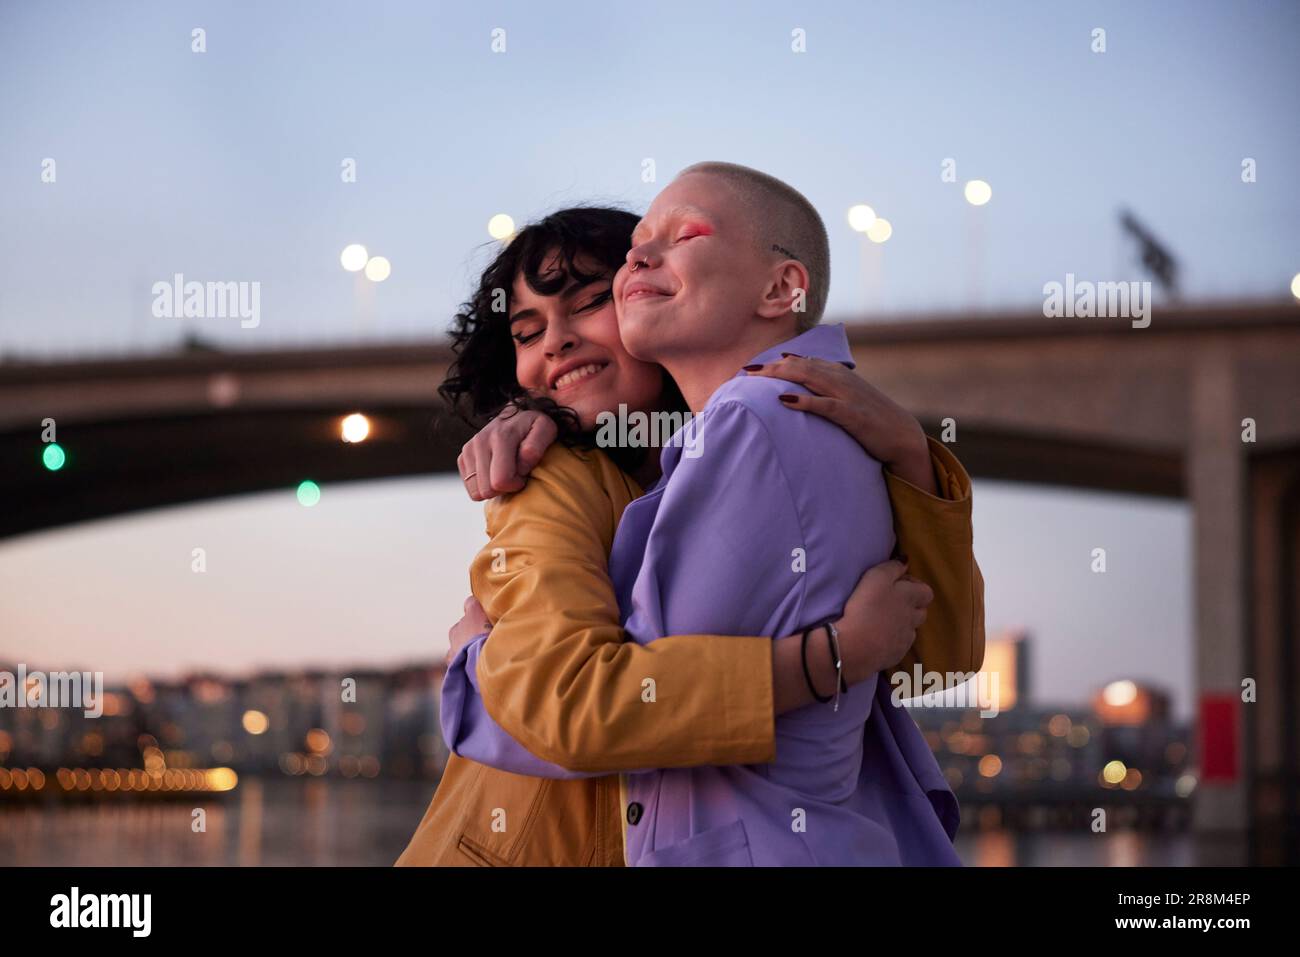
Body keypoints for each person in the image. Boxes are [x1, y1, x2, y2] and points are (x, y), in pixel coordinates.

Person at [395, 200, 984, 866]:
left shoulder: (746, 450)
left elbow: (937, 660)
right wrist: (832, 657)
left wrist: (910, 456)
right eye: (527, 332)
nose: (553, 340)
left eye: (588, 302)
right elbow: (570, 704)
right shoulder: (549, 474)